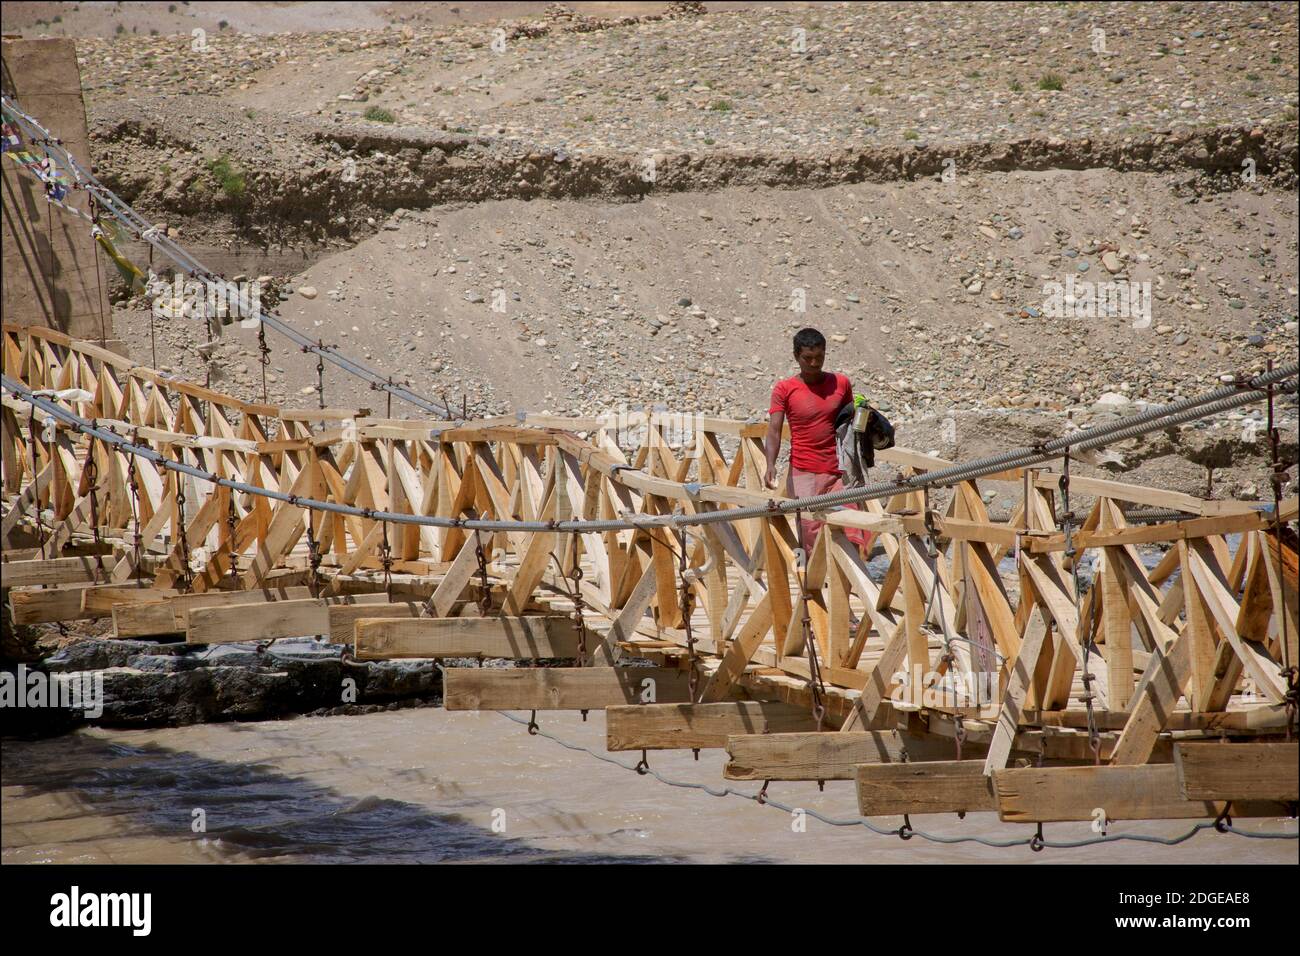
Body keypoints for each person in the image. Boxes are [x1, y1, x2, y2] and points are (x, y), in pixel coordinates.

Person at [764, 328, 871, 555]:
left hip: (838, 469)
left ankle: (848, 585)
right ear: (796, 356)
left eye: (819, 357)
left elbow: (848, 421)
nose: (814, 364)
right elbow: (774, 431)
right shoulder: (785, 389)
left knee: (851, 522)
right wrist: (770, 464)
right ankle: (816, 587)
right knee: (811, 533)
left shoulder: (841, 383)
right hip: (804, 470)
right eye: (807, 358)